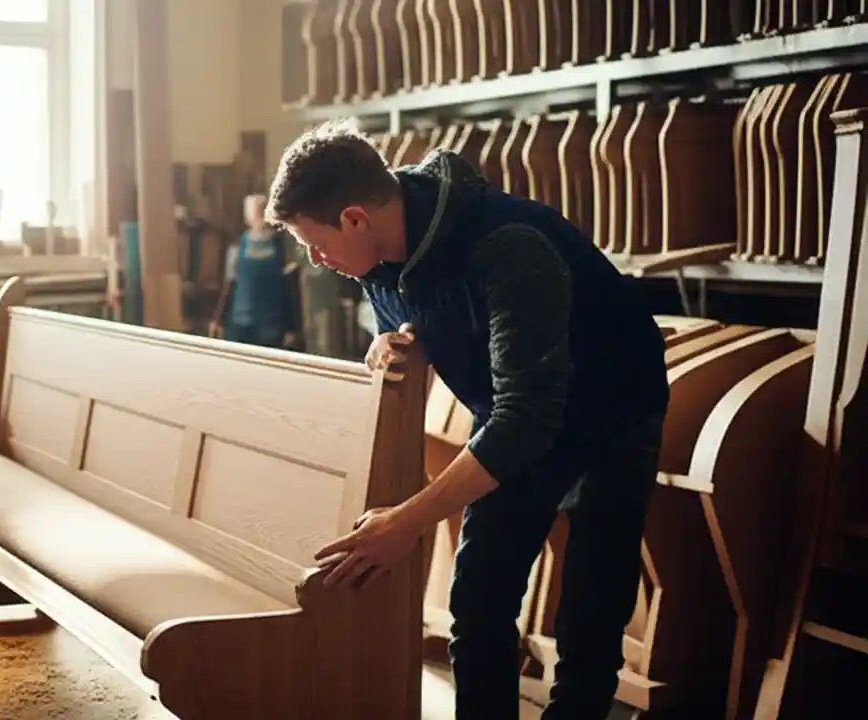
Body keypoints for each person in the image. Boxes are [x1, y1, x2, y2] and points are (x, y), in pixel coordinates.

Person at [263, 120, 670, 720]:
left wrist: (410, 521)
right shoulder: (375, 256)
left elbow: (527, 417)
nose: (315, 261)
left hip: (612, 409)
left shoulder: (504, 245)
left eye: (312, 243)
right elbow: (419, 321)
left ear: (353, 218)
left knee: (590, 604)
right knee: (479, 596)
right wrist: (400, 344)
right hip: (517, 410)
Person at [210, 194, 301, 349]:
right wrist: (218, 319)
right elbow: (230, 283)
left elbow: (291, 288)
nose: (259, 217)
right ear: (247, 217)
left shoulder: (283, 248)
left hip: (272, 325)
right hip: (239, 324)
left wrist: (293, 327)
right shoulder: (237, 247)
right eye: (255, 212)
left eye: (261, 211)